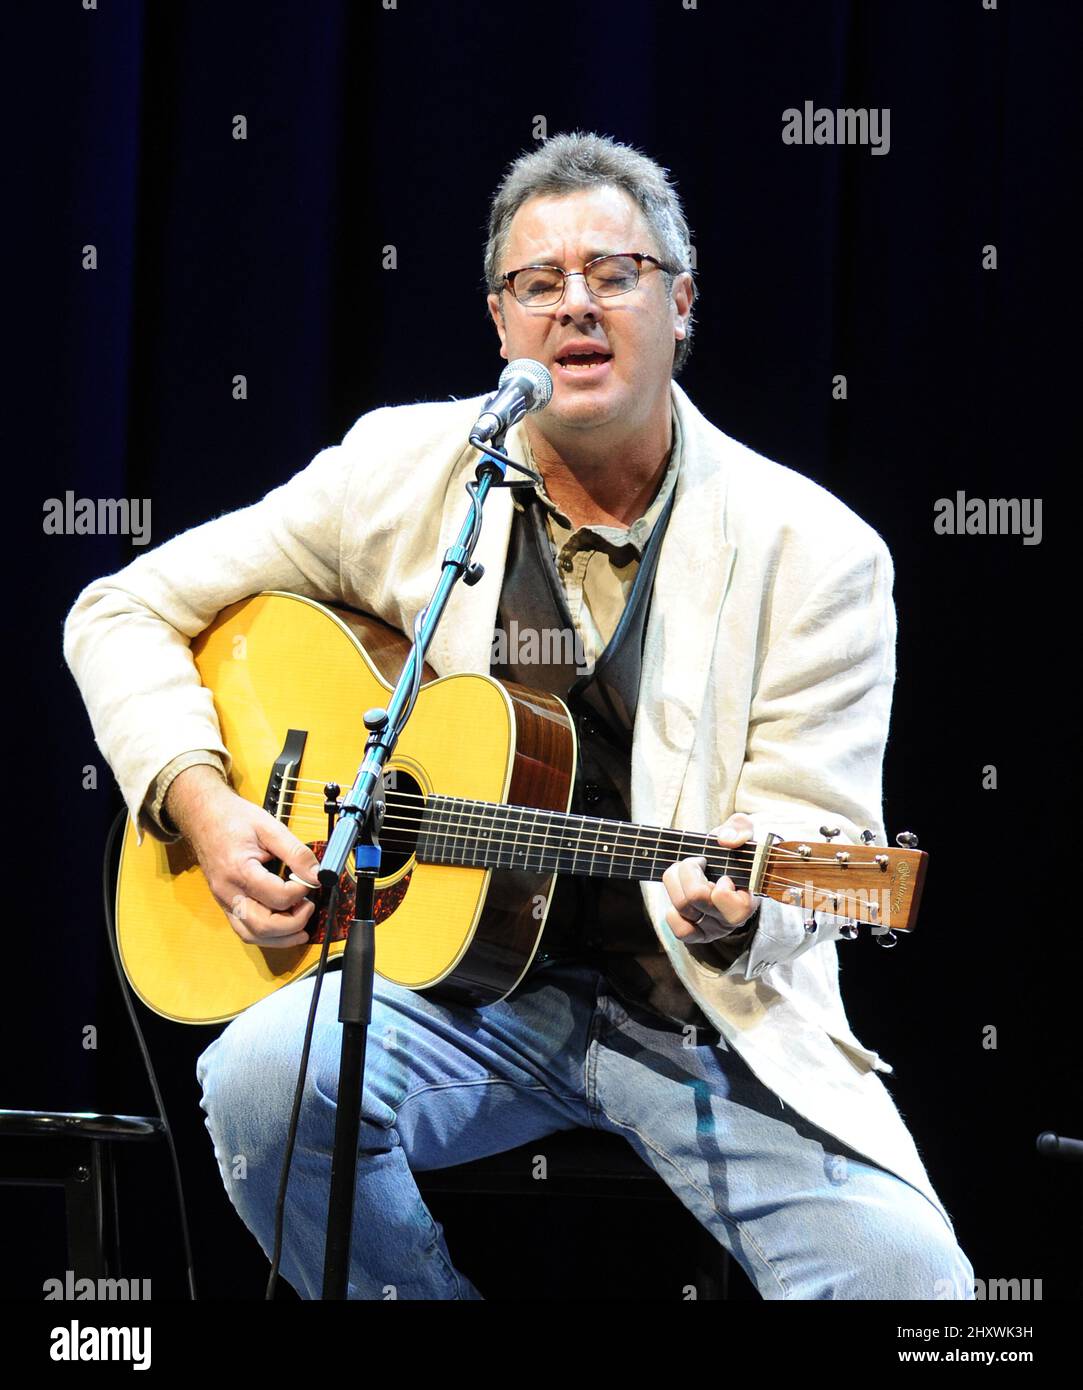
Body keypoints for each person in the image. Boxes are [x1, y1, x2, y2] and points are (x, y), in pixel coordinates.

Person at [64, 131, 976, 1300]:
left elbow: (818, 838)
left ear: (682, 303)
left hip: (700, 1022)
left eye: (615, 274)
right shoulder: (402, 466)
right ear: (501, 325)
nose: (576, 307)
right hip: (454, 999)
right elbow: (119, 607)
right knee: (258, 1077)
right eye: (538, 285)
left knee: (917, 1290)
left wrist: (745, 912)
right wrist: (203, 798)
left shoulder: (818, 553)